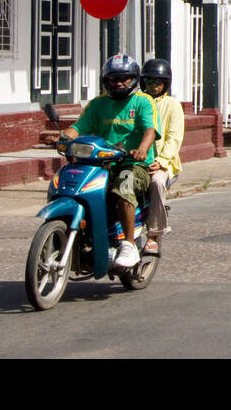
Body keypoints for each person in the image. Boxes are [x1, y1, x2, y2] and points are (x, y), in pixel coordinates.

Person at [60, 54, 159, 269]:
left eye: (125, 78)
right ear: (106, 80)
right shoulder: (97, 104)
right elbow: (78, 127)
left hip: (133, 165)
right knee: (70, 185)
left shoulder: (143, 101)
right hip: (100, 163)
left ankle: (129, 244)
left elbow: (150, 130)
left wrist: (142, 150)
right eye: (114, 79)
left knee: (124, 185)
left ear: (134, 79)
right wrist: (64, 137)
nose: (119, 83)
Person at [140, 57, 184, 255]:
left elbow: (174, 138)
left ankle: (153, 235)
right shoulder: (137, 102)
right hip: (136, 159)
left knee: (156, 183)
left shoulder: (172, 105)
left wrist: (161, 161)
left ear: (166, 84)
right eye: (150, 81)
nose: (154, 85)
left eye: (158, 82)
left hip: (163, 163)